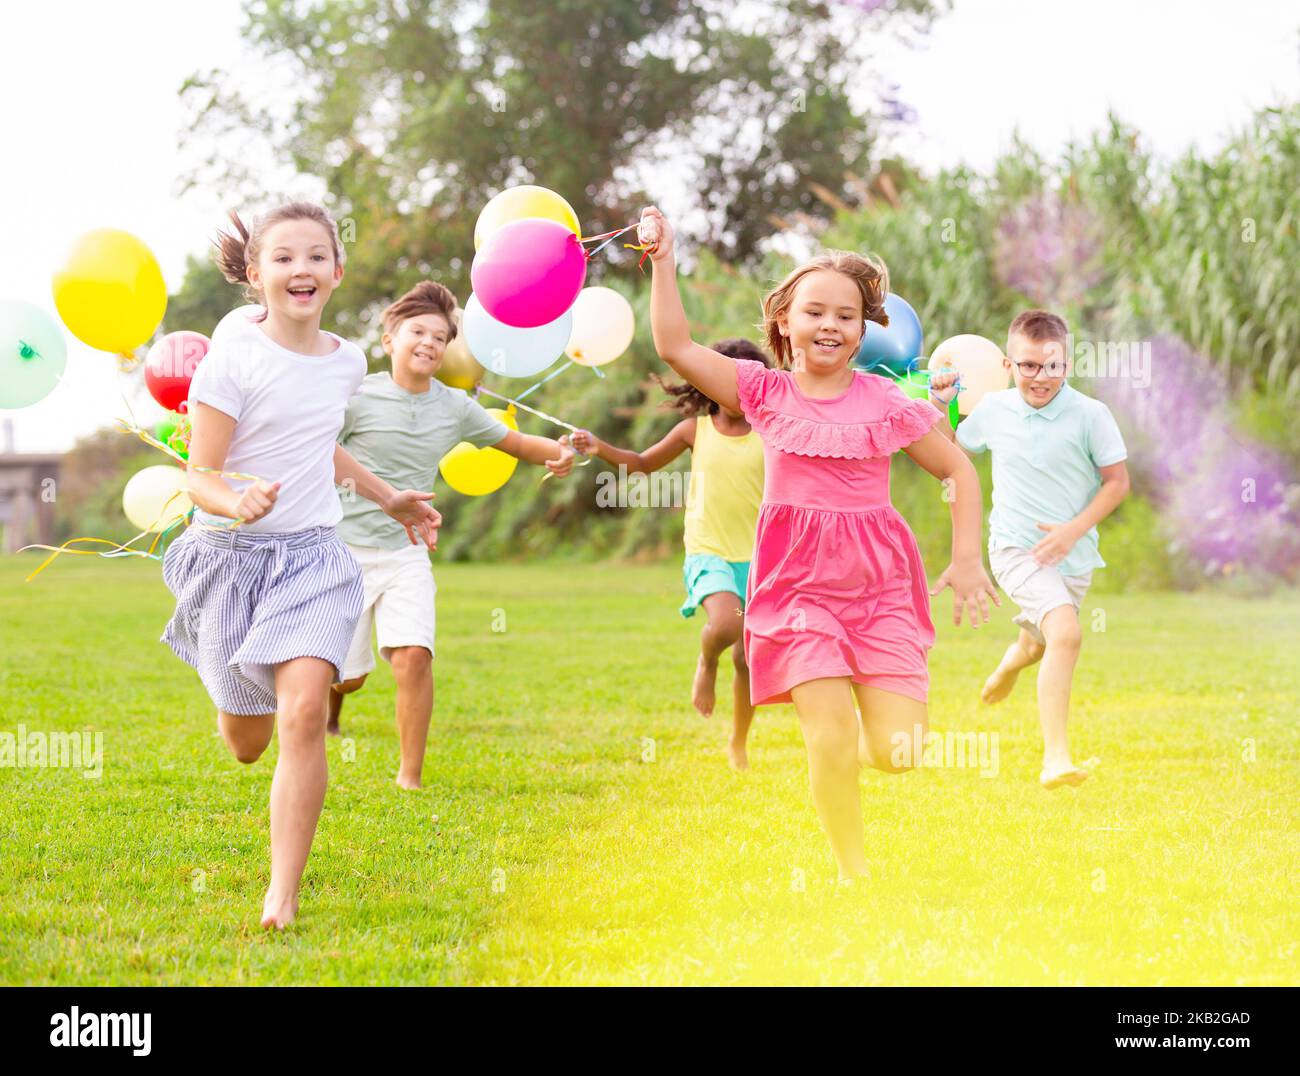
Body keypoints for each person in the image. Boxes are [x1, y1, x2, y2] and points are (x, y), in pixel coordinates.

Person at [638, 204, 999, 880]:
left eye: (846, 315)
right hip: (797, 590)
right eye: (815, 311)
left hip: (880, 588)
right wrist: (664, 262)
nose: (830, 324)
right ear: (783, 320)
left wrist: (967, 558)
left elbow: (957, 469)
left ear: (864, 331)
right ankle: (852, 869)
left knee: (898, 752)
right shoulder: (761, 392)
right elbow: (675, 349)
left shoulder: (888, 403)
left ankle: (876, 736)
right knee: (827, 735)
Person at [161, 202, 440, 928]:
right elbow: (199, 475)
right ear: (255, 275)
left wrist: (389, 499)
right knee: (247, 742)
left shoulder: (347, 361)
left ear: (337, 271)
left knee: (307, 713)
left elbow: (320, 442)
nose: (301, 269)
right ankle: (231, 695)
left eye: (316, 256)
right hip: (230, 558)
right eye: (283, 258)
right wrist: (233, 497)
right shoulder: (231, 360)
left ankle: (281, 896)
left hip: (314, 557)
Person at [329, 280, 575, 787]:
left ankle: (409, 776)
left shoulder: (455, 406)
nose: (429, 343)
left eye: (440, 337)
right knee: (348, 677)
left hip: (407, 551)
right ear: (390, 340)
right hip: (343, 553)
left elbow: (514, 442)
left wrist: (559, 450)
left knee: (414, 655)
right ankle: (334, 706)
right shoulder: (356, 396)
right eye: (417, 331)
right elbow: (318, 454)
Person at [929, 310, 1129, 788]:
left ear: (1068, 363)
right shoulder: (994, 410)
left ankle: (1013, 660)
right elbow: (950, 451)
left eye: (1052, 366)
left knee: (1042, 643)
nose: (1041, 377)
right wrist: (941, 406)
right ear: (1007, 365)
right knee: (1067, 632)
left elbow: (1117, 483)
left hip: (1072, 554)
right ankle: (1056, 759)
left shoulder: (1090, 415)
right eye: (1028, 367)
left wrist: (1073, 531)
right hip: (1016, 549)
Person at [572, 339, 768, 769]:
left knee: (749, 660)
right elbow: (641, 463)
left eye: (748, 384)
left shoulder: (772, 434)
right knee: (725, 624)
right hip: (709, 548)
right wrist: (598, 447)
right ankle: (706, 658)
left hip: (761, 559)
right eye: (727, 383)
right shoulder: (693, 430)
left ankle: (738, 741)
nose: (737, 393)